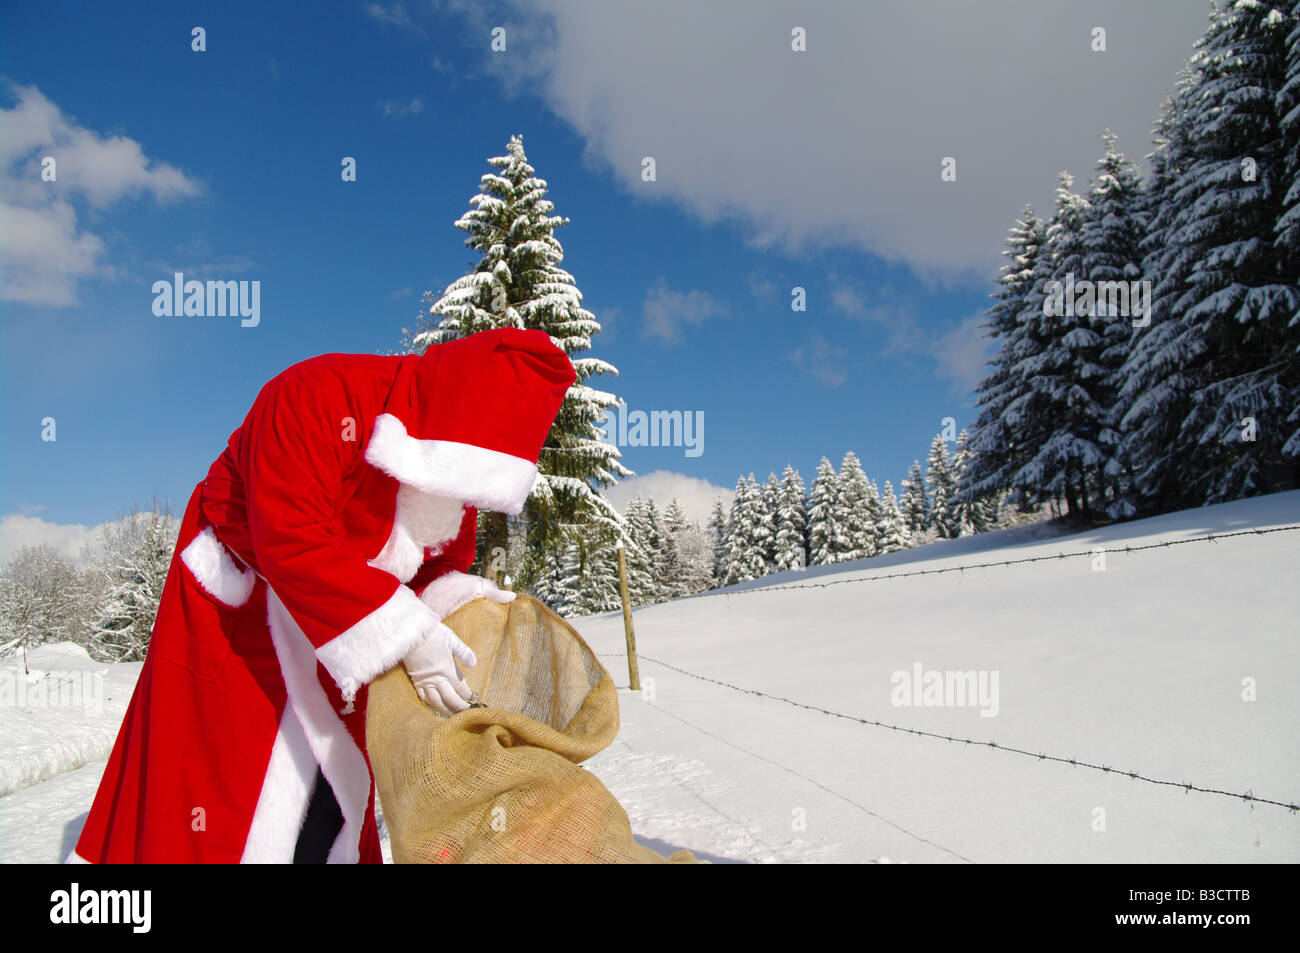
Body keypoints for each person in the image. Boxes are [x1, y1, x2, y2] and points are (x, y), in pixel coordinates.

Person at [68, 327, 576, 863]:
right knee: (222, 780)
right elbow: (287, 536)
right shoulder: (315, 391)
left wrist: (447, 606)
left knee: (336, 771)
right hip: (244, 605)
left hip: (347, 619)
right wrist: (404, 631)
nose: (465, 502)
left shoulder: (452, 473)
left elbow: (443, 561)